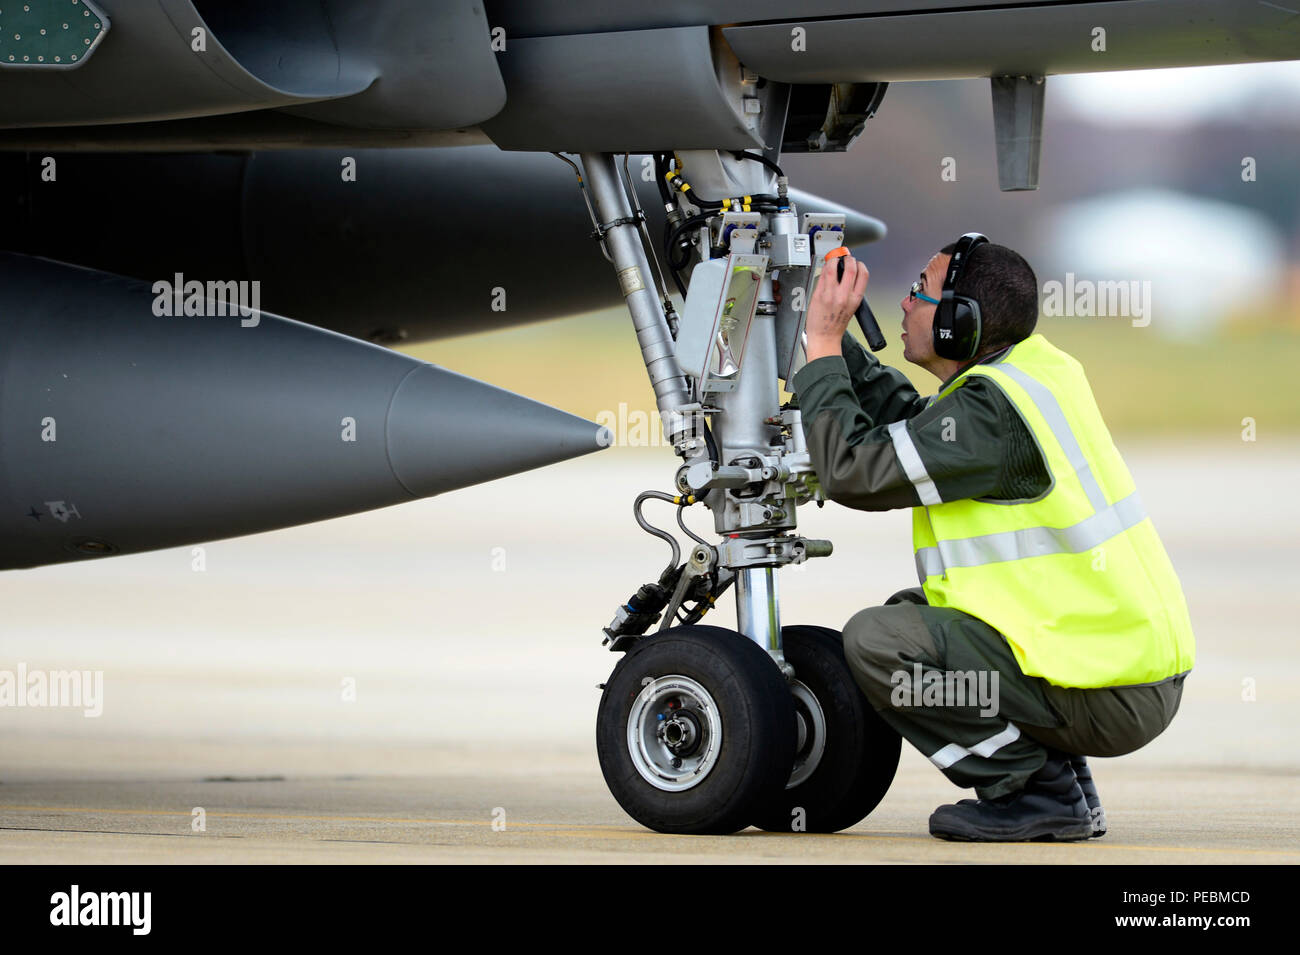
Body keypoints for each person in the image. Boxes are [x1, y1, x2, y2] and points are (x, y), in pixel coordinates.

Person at [785, 236, 1195, 842]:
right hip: (1116, 671)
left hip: (1111, 692)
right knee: (913, 619)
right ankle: (1059, 780)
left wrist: (820, 346)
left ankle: (1034, 793)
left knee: (880, 643)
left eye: (920, 290)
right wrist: (823, 328)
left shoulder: (988, 416)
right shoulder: (1026, 375)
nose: (903, 301)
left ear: (958, 324)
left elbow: (853, 468)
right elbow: (910, 426)